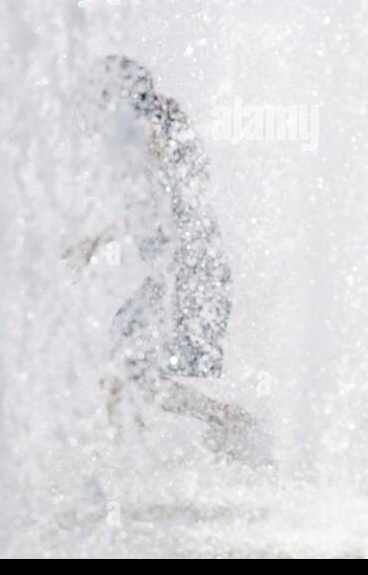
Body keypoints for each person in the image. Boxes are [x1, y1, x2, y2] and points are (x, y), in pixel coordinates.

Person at [64, 56, 259, 457]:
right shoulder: (145, 133)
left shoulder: (148, 131)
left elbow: (158, 195)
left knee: (126, 375)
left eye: (101, 94)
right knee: (117, 377)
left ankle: (227, 419)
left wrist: (97, 241)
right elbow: (150, 203)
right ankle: (134, 460)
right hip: (175, 275)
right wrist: (96, 241)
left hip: (189, 276)